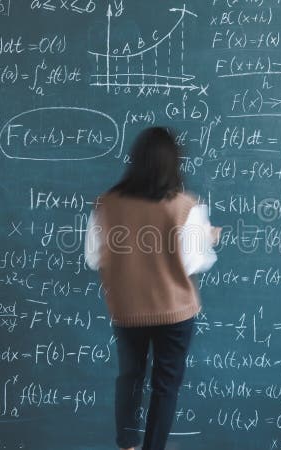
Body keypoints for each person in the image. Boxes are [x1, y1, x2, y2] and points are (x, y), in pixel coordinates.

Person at [84, 126, 220, 450]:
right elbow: (193, 263)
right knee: (165, 386)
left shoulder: (107, 203)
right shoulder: (185, 206)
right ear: (173, 164)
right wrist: (208, 237)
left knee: (129, 376)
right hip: (174, 311)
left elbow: (93, 256)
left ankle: (127, 445)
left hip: (127, 309)